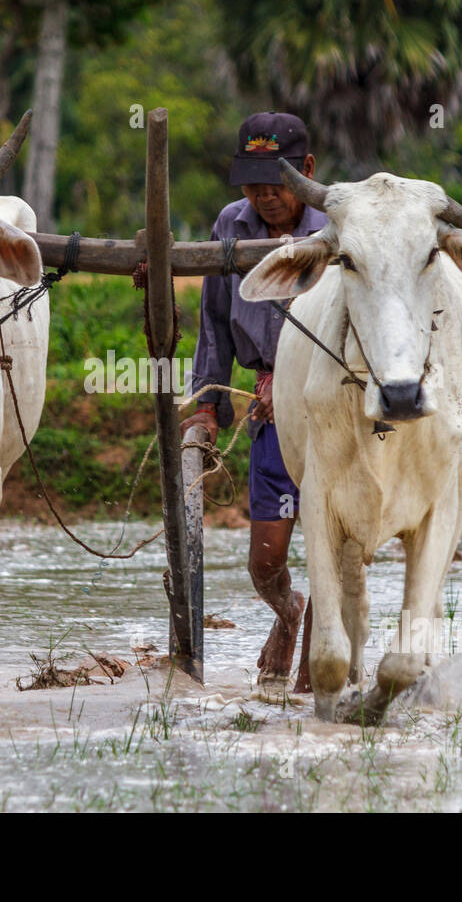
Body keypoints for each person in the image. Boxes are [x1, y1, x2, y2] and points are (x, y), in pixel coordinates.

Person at [181, 112, 325, 697]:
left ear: (308, 172)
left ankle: (319, 658)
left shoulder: (336, 226)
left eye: (277, 180)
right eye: (252, 182)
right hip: (266, 408)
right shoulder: (230, 224)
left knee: (330, 540)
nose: (264, 195)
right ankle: (289, 612)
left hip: (329, 405)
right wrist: (207, 403)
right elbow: (214, 319)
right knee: (265, 562)